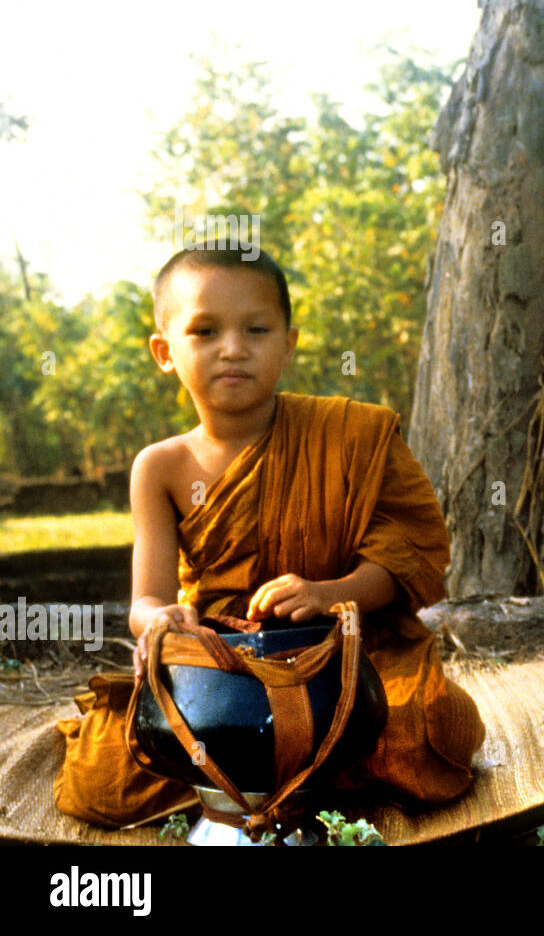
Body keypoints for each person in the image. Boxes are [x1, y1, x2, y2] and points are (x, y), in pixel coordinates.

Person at [56, 245, 484, 826]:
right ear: (165, 351)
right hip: (221, 670)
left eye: (256, 328)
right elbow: (147, 600)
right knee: (101, 776)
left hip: (343, 657)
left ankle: (287, 777)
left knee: (433, 731)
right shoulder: (160, 467)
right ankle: (314, 780)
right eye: (204, 331)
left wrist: (332, 593)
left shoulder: (350, 436)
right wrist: (159, 623)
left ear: (288, 343)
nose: (233, 347)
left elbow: (411, 550)